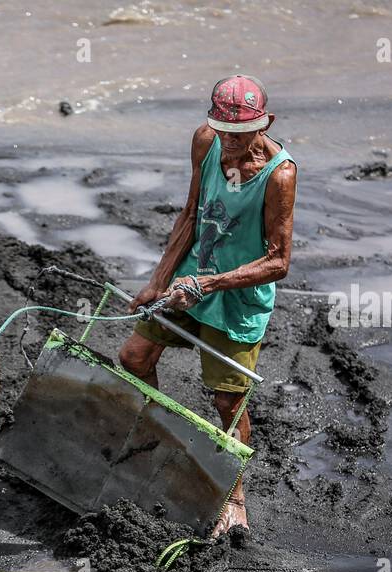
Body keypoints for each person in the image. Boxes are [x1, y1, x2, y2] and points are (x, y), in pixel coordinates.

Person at [122, 75, 297, 537]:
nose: (231, 147)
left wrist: (210, 283)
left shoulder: (279, 174)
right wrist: (158, 280)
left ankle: (235, 499)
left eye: (241, 136)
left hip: (235, 297)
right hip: (189, 280)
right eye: (224, 134)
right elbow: (191, 211)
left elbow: (279, 261)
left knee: (227, 402)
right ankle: (156, 442)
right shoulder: (206, 142)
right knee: (134, 358)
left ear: (267, 124)